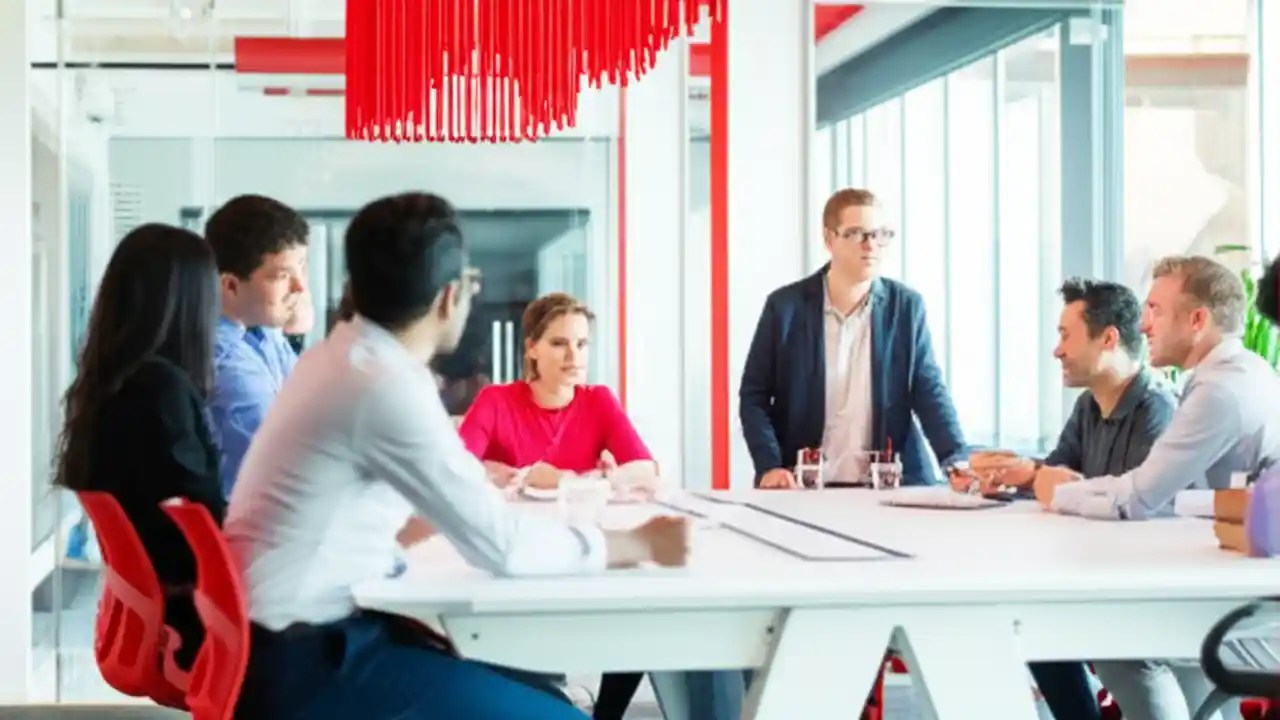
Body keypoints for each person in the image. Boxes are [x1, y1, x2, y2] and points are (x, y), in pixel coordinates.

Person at [225, 191, 690, 720]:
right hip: (310, 660)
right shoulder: (384, 385)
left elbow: (399, 508)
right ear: (450, 298)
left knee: (539, 691)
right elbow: (504, 548)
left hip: (290, 634)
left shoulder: (343, 358)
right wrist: (637, 541)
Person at [1037, 255, 1280, 720]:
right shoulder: (1235, 375)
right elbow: (1191, 497)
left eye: (1156, 310)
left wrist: (1060, 492)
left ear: (1197, 320)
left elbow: (1139, 498)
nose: (1143, 325)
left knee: (1113, 636)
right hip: (1247, 585)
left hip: (1260, 611)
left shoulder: (1219, 391)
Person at [961, 279, 1177, 720]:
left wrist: (1039, 477)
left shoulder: (1156, 410)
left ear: (1109, 338)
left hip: (1143, 587)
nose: (1056, 351)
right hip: (1095, 573)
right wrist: (1004, 476)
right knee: (1029, 618)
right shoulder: (1088, 407)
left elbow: (1138, 506)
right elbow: (1054, 480)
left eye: (1065, 336)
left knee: (1033, 620)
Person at [54, 223, 224, 670]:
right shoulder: (161, 387)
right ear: (191, 302)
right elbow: (204, 513)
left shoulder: (109, 384)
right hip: (197, 616)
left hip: (169, 605)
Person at [740, 187, 968, 489]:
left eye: (880, 234)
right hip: (804, 484)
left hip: (889, 485)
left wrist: (955, 460)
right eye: (856, 233)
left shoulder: (906, 307)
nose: (870, 245)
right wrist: (769, 465)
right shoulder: (785, 308)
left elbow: (928, 391)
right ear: (829, 238)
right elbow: (754, 397)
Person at [459, 292, 657, 491]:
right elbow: (453, 469)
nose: (573, 355)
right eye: (559, 343)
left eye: (581, 344)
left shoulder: (599, 400)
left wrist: (573, 480)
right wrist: (491, 473)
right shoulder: (495, 401)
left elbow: (646, 472)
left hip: (578, 520)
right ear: (532, 348)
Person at [204, 194, 311, 496]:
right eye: (282, 275)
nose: (300, 287)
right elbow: (288, 466)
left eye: (301, 268)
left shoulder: (265, 334)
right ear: (231, 286)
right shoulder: (223, 360)